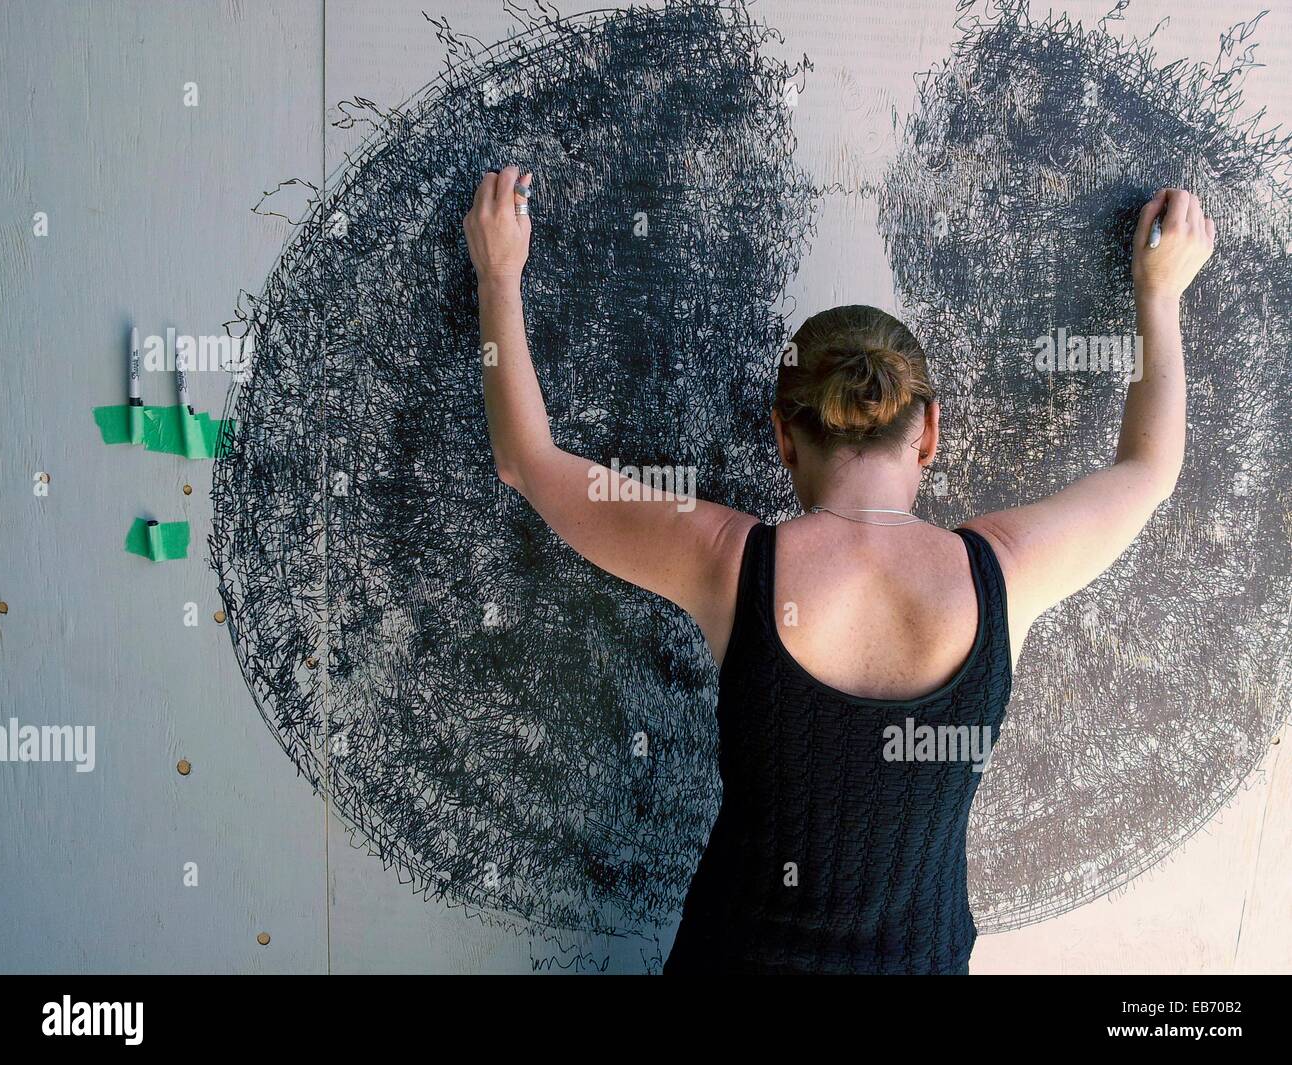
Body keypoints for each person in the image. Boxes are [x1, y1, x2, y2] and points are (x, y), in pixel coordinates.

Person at [463, 166, 1215, 974]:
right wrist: (1159, 296)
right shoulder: (1006, 572)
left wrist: (499, 274)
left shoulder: (728, 562)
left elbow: (526, 460)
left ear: (784, 437)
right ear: (929, 434)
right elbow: (1150, 469)